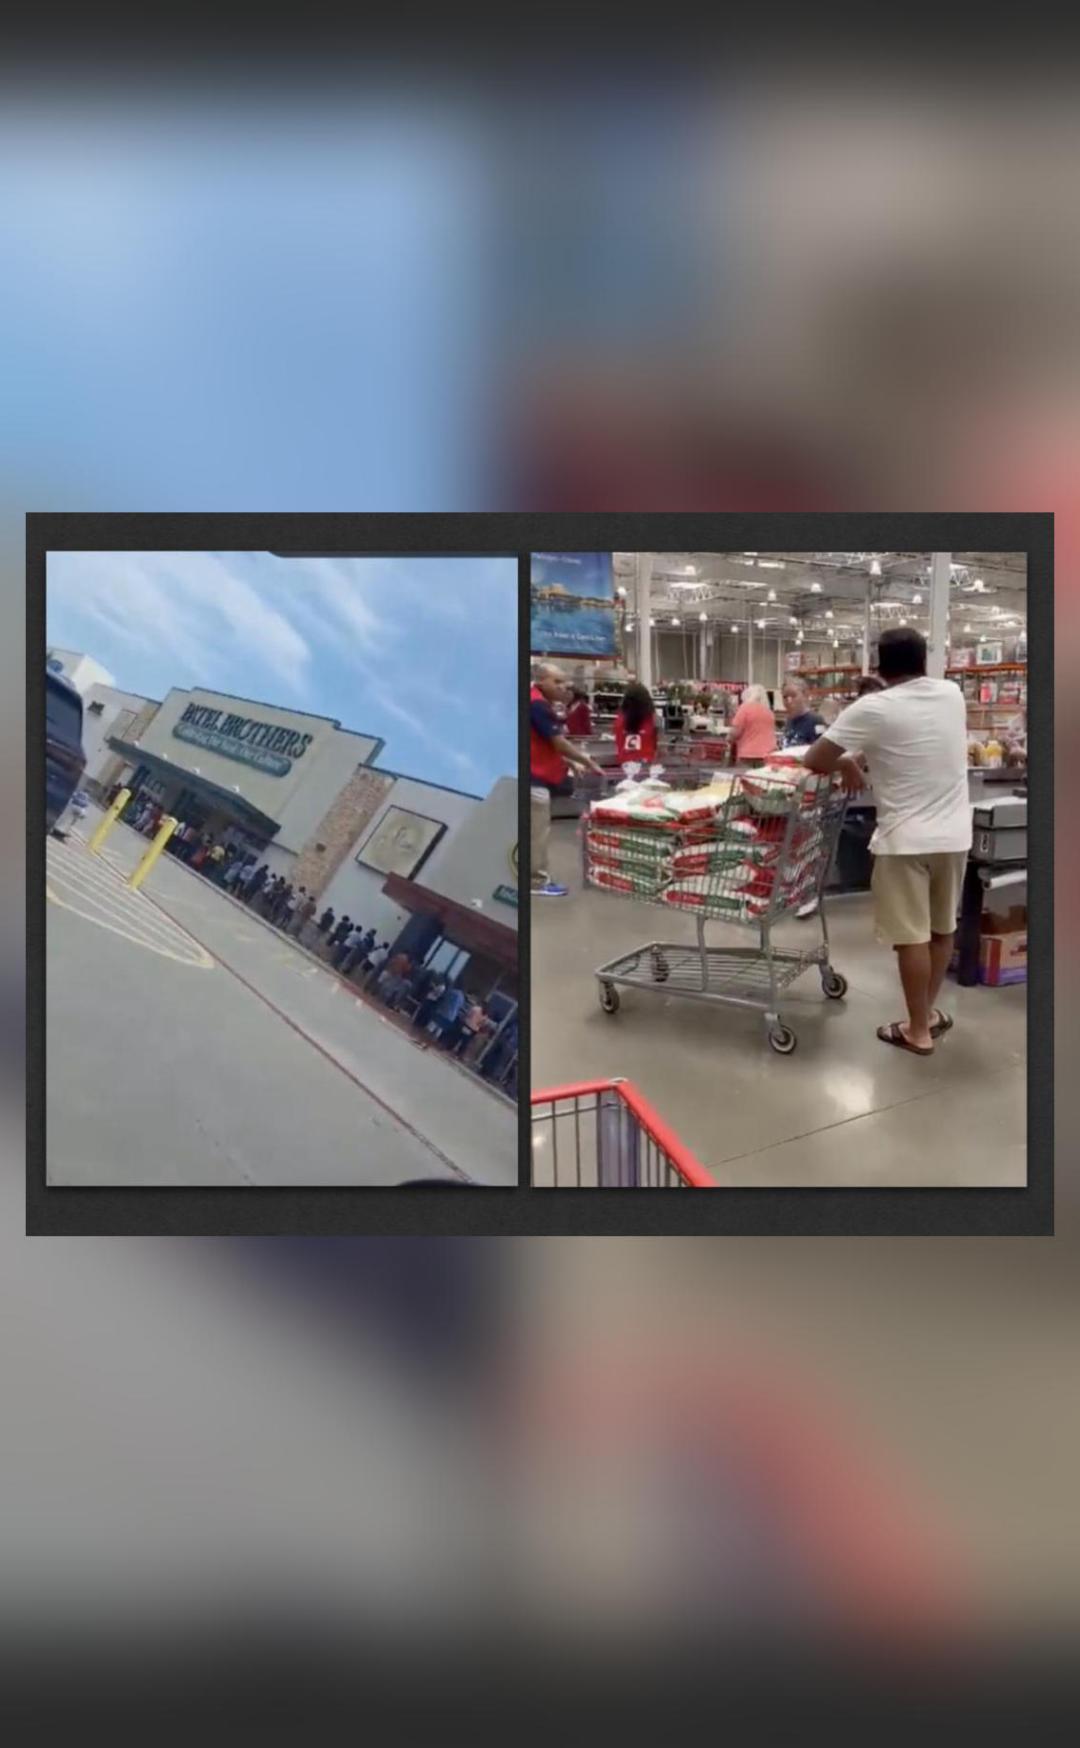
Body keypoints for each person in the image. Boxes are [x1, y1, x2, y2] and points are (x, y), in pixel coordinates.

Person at [803, 627, 972, 1057]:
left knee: (910, 937)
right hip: (954, 836)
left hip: (905, 841)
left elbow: (815, 759)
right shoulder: (952, 694)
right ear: (924, 661)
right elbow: (910, 742)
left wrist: (845, 761)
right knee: (941, 929)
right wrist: (861, 756)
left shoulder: (872, 707)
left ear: (880, 665)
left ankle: (917, 1031)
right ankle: (927, 1015)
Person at [530, 662, 605, 899]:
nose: (563, 688)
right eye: (557, 682)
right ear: (541, 681)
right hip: (534, 781)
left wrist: (567, 762)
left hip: (536, 777)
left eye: (564, 682)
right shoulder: (538, 705)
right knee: (536, 833)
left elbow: (544, 743)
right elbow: (558, 741)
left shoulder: (536, 702)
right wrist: (587, 761)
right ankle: (535, 880)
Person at [729, 683, 777, 766]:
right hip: (768, 755)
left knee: (745, 778)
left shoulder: (744, 708)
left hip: (747, 755)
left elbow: (735, 732)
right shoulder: (769, 712)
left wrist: (728, 738)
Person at [614, 681, 659, 767]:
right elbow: (656, 743)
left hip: (625, 765)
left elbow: (618, 741)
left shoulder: (620, 719)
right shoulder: (651, 719)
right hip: (647, 764)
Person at [779, 677, 825, 749]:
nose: (789, 701)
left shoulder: (816, 720)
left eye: (793, 696)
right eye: (785, 697)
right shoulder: (788, 721)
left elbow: (822, 750)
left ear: (805, 696)